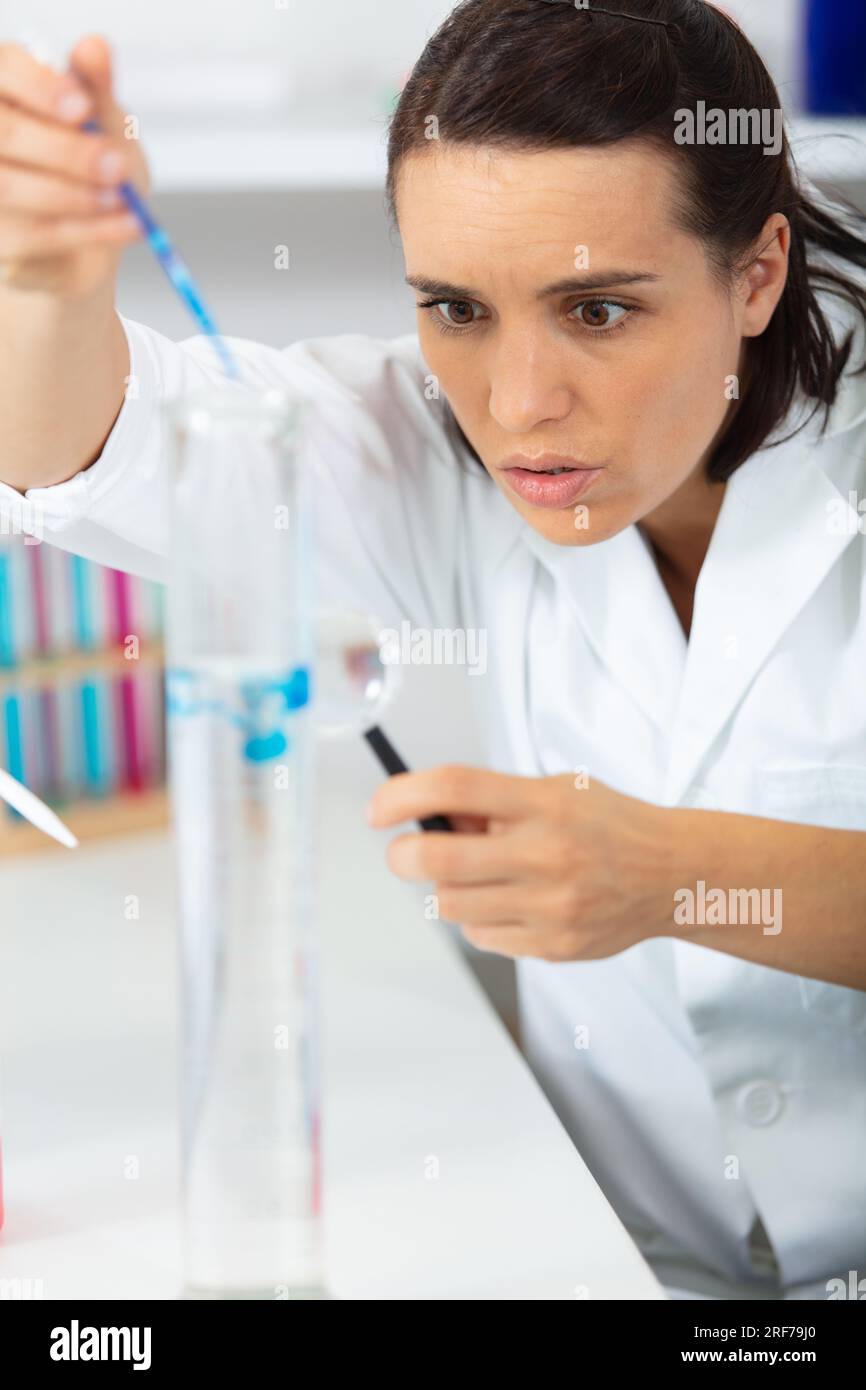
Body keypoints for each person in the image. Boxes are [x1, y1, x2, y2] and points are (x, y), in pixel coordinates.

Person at [1, 0, 864, 1301]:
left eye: (596, 310)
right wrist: (44, 286)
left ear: (753, 274)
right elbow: (90, 446)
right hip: (642, 1265)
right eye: (456, 307)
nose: (516, 404)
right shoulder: (427, 440)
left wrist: (678, 874)